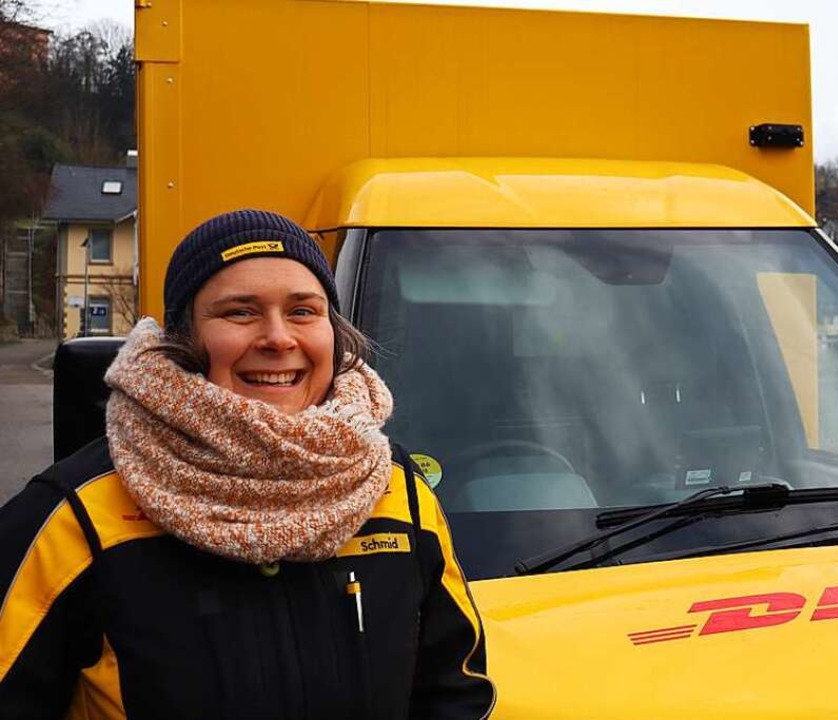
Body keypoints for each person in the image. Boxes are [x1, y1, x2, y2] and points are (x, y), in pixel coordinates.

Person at [0, 209, 496, 719]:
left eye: (304, 311)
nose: (279, 339)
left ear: (334, 332)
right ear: (183, 339)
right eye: (240, 312)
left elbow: (455, 692)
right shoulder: (77, 516)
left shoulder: (395, 491)